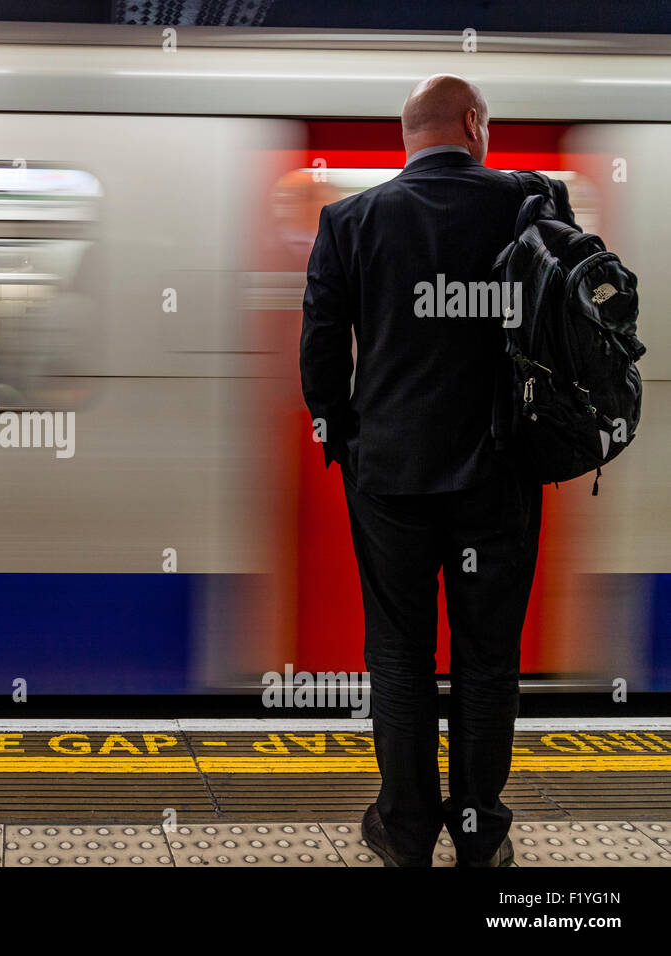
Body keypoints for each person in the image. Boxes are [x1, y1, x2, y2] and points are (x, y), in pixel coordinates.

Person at [300, 74, 576, 867]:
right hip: (501, 473)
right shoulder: (531, 206)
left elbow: (320, 355)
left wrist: (347, 442)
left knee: (398, 652)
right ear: (474, 123)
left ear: (407, 135)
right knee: (488, 657)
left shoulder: (350, 220)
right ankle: (481, 829)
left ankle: (407, 827)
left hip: (389, 476)